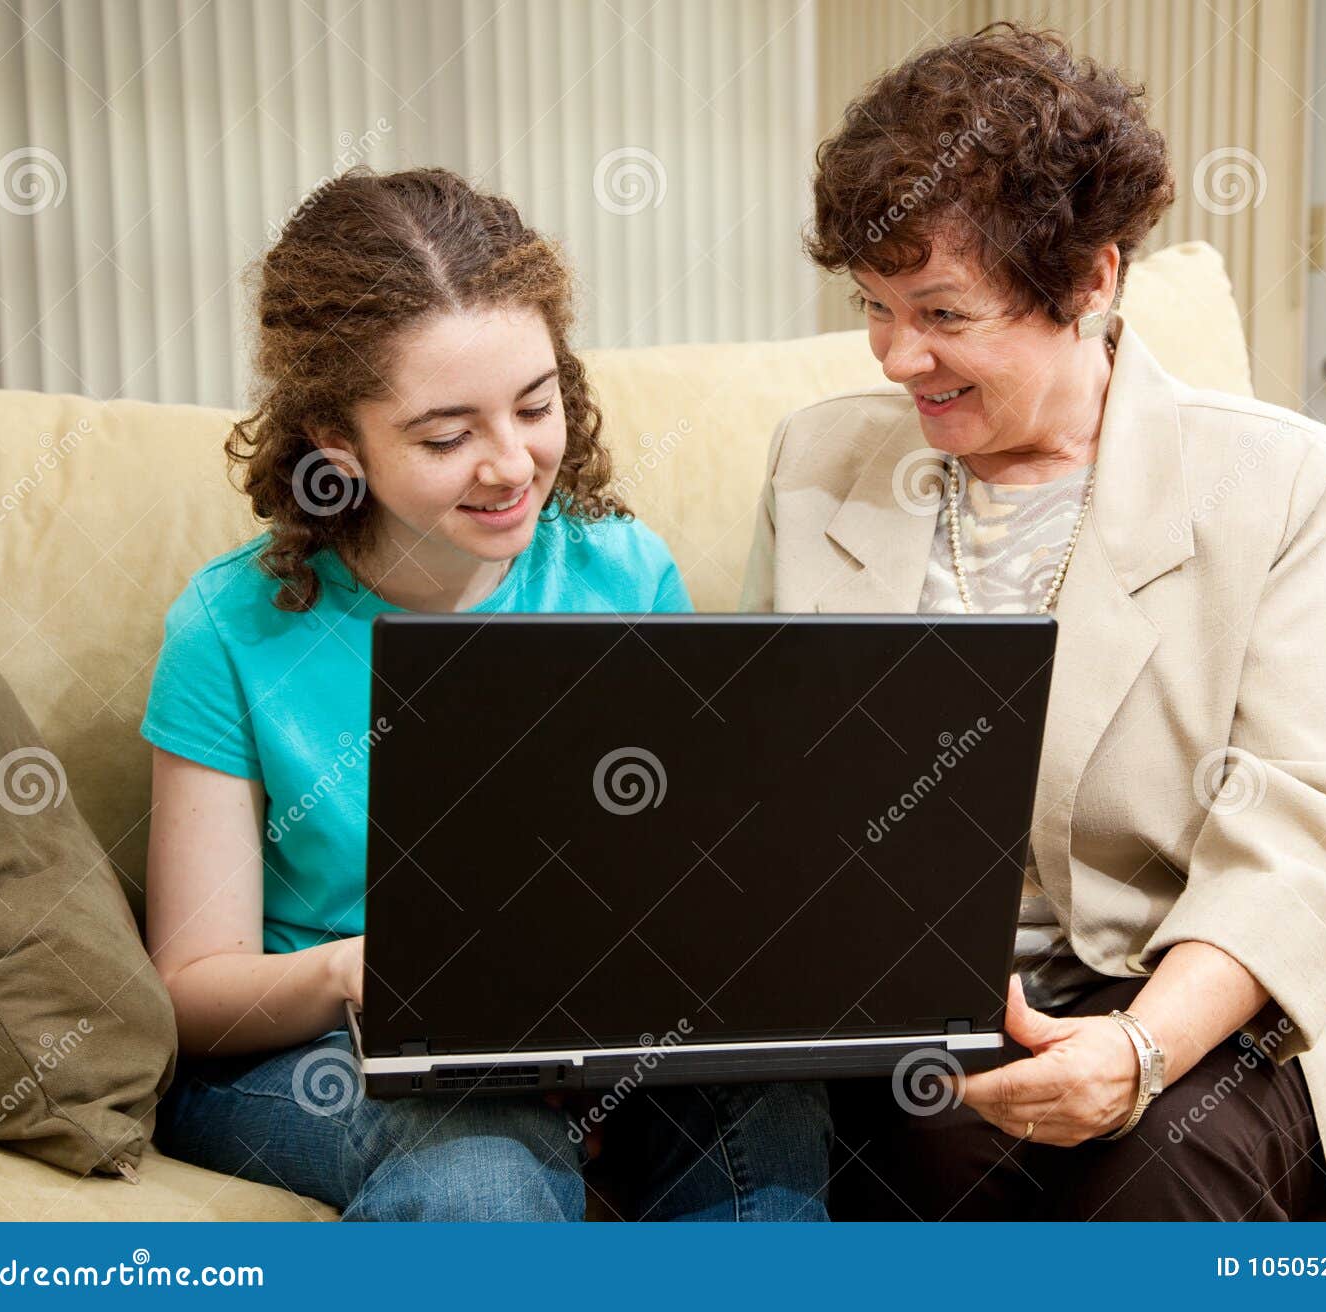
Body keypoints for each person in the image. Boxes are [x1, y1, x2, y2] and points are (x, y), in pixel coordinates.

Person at [742, 24, 1326, 1221]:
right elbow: (782, 777)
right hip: (950, 1008)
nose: (894, 356)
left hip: (1223, 994)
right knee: (923, 1152)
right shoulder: (819, 463)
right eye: (873, 306)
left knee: (1148, 1170)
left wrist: (1137, 1049)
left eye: (940, 312)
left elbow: (1302, 832)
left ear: (1089, 280)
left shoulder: (1272, 480)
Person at [144, 167, 830, 1222]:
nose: (511, 464)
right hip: (313, 1051)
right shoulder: (228, 629)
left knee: (771, 1096)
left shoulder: (621, 572)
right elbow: (190, 991)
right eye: (445, 435)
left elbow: (686, 870)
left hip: (590, 1034)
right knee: (480, 1156)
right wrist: (357, 971)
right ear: (338, 439)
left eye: (535, 403)